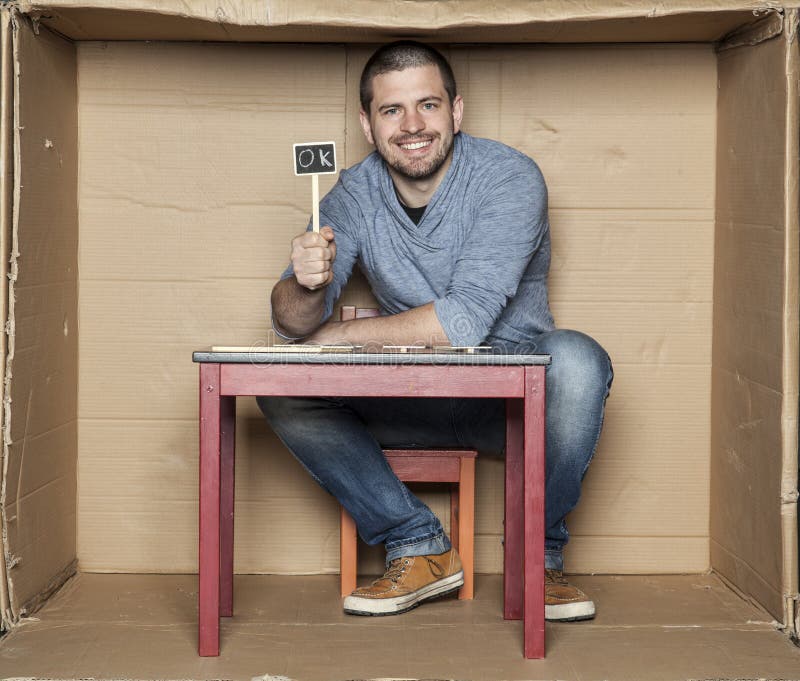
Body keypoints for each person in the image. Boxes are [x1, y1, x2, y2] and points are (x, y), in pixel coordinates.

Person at [258, 41, 613, 622]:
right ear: (367, 125)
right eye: (392, 110)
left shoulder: (509, 176)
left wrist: (337, 339)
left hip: (512, 398)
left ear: (457, 111)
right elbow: (290, 324)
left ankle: (538, 559)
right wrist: (305, 282)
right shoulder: (346, 195)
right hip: (411, 391)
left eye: (428, 105)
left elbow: (465, 321)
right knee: (279, 384)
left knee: (576, 359)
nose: (413, 125)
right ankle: (418, 544)